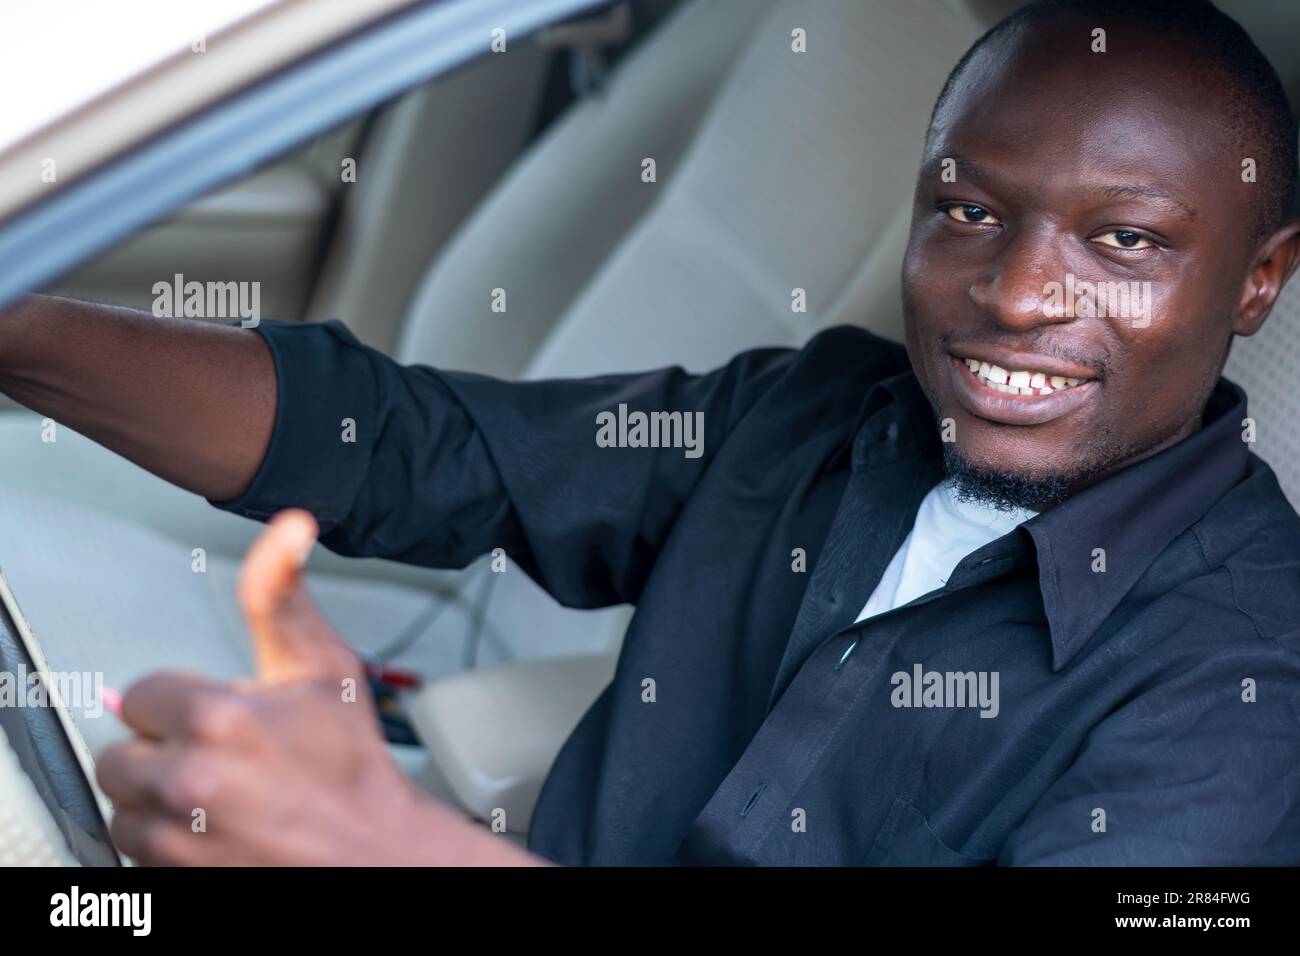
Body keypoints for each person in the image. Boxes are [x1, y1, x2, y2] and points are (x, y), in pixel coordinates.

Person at [1, 0, 1298, 865]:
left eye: (1125, 241)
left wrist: (388, 842)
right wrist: (26, 326)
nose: (1017, 294)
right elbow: (419, 444)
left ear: (1258, 282)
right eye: (967, 213)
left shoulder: (1244, 684)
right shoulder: (816, 415)